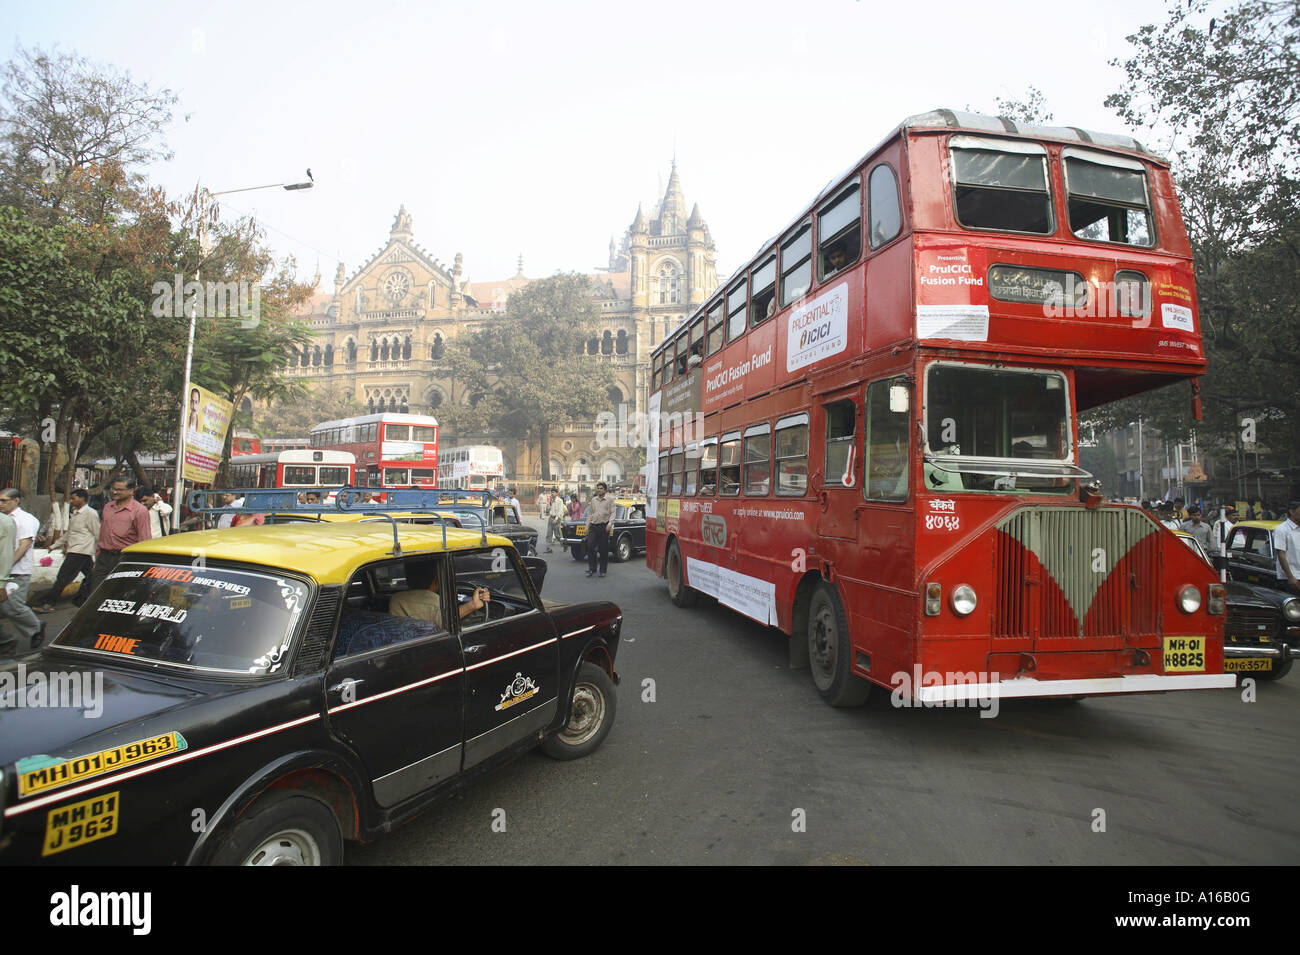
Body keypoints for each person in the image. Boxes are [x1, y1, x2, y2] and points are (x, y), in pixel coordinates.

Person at [86, 477, 152, 600]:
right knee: (95, 596)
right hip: (103, 558)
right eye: (113, 489)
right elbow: (103, 533)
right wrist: (98, 557)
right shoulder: (107, 507)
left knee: (120, 595)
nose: (114, 492)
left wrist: (141, 566)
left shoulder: (139, 511)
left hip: (124, 558)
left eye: (119, 490)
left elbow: (145, 540)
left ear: (132, 491)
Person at [35, 488, 100, 611]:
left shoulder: (90, 513)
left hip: (80, 552)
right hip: (77, 551)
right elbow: (69, 534)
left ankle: (48, 603)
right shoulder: (75, 514)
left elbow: (98, 533)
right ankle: (94, 597)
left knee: (63, 578)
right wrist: (53, 546)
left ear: (82, 499)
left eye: (73, 498)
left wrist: (99, 551)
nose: (71, 501)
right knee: (93, 576)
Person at [0, 489, 43, 654]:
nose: (1, 504)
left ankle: (36, 627)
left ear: (16, 500)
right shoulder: (3, 519)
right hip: (4, 570)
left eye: (4, 500)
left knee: (13, 607)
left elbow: (24, 546)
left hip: (17, 571)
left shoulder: (25, 520)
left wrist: (5, 567)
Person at [389, 561, 488, 625]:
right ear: (436, 580)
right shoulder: (437, 604)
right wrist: (472, 605)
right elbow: (446, 621)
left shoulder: (396, 599)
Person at [584, 481, 613, 578]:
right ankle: (592, 568)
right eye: (598, 488)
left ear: (605, 490)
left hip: (603, 527)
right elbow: (590, 513)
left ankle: (603, 570)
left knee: (603, 549)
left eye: (601, 488)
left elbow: (613, 513)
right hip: (593, 526)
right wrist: (587, 526)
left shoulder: (609, 500)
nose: (599, 490)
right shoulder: (593, 500)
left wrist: (610, 524)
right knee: (590, 546)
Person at [1273, 500, 1300, 595]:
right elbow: (1281, 555)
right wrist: (1291, 577)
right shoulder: (1282, 529)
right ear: (1292, 512)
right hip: (1292, 577)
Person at [1208, 504, 1236, 574]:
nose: (1235, 517)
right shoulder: (1220, 523)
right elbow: (1216, 537)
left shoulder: (1236, 524)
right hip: (1224, 551)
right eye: (1233, 515)